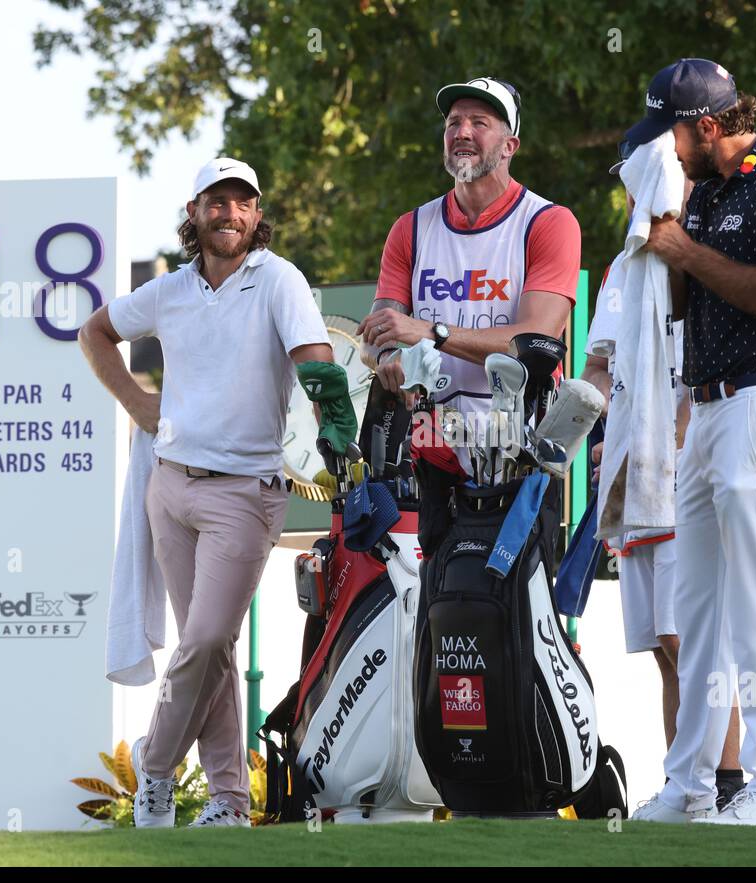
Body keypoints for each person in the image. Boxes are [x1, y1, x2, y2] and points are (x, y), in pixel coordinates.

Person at [79, 157, 337, 827]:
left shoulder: (280, 280)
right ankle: (226, 802)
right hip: (169, 489)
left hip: (246, 496)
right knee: (214, 652)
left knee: (205, 640)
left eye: (241, 202)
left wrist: (338, 428)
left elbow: (317, 362)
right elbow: (95, 331)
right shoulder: (167, 292)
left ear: (257, 215)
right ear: (194, 214)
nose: (228, 213)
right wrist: (136, 400)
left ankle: (155, 770)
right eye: (215, 202)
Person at [625, 58, 756, 826]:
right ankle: (691, 785)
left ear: (707, 126)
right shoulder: (699, 191)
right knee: (698, 611)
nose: (666, 150)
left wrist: (685, 253)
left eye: (671, 135)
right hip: (706, 414)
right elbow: (679, 297)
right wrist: (658, 230)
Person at [583, 146, 744, 808]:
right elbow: (600, 364)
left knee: (690, 637)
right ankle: (685, 786)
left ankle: (727, 783)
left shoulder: (693, 259)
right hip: (632, 475)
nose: (631, 198)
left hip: (685, 470)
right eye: (626, 187)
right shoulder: (620, 268)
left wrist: (678, 425)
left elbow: (704, 361)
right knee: (662, 649)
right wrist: (585, 418)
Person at [356, 77, 580, 483]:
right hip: (429, 449)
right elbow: (375, 337)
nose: (461, 132)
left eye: (480, 122)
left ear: (509, 145)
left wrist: (429, 332)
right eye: (453, 122)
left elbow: (536, 346)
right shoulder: (410, 228)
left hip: (517, 452)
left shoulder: (549, 222)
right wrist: (389, 360)